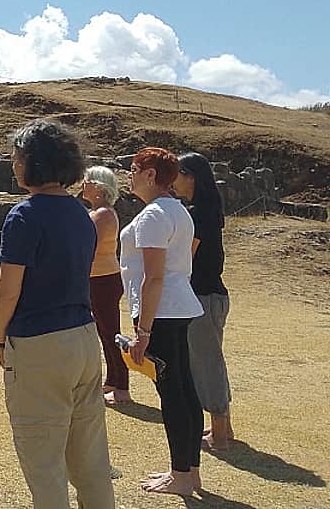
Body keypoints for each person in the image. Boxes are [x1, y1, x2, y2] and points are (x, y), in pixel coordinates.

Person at [0, 119, 115, 509]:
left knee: (44, 462)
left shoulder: (25, 216)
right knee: (91, 460)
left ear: (35, 163)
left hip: (39, 345)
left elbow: (8, 289)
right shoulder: (81, 215)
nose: (13, 166)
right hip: (83, 336)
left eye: (17, 159)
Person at [122, 147, 206, 496]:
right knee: (184, 389)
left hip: (162, 311)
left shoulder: (154, 215)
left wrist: (143, 331)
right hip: (176, 307)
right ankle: (189, 470)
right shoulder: (177, 211)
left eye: (133, 169)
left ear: (150, 175)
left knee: (173, 394)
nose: (129, 175)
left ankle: (181, 475)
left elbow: (153, 276)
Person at [174, 152, 234, 451]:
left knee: (207, 363)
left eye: (177, 174)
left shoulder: (199, 213)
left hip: (203, 296)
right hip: (211, 295)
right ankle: (223, 427)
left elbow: (187, 257)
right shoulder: (206, 210)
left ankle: (220, 434)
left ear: (190, 177)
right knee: (210, 361)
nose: (173, 181)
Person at [81, 165, 130, 404]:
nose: (83, 184)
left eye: (87, 180)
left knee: (110, 332)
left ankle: (122, 385)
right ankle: (113, 380)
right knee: (105, 331)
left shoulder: (101, 215)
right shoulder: (101, 212)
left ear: (99, 187)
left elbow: (87, 247)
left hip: (103, 279)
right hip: (99, 278)